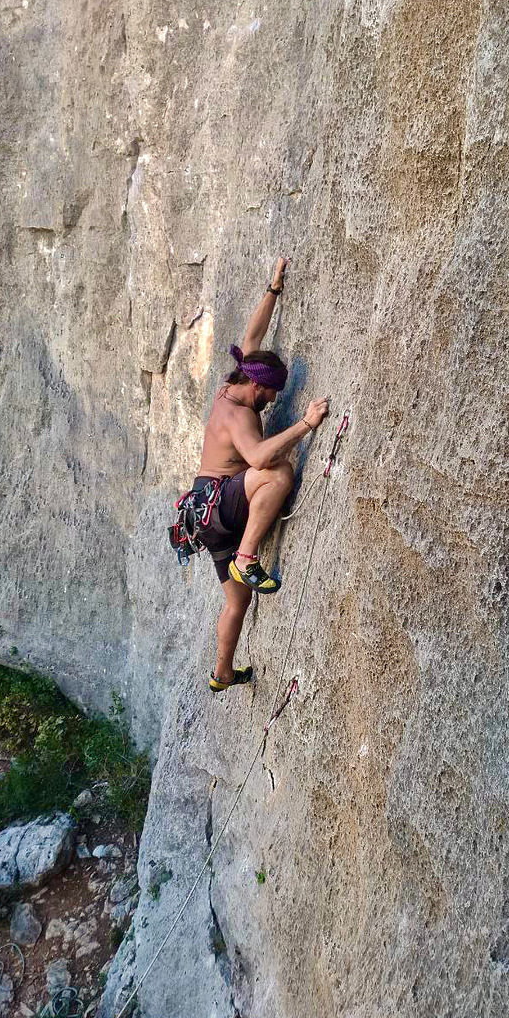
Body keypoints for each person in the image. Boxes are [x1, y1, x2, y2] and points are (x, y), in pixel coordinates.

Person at [192, 256, 329, 692]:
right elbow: (258, 460)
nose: (272, 400)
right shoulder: (240, 415)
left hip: (204, 514)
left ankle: (223, 672)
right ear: (258, 386)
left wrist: (273, 288)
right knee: (279, 473)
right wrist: (305, 425)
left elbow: (252, 336)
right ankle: (247, 557)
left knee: (238, 599)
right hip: (220, 503)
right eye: (272, 393)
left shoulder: (238, 380)